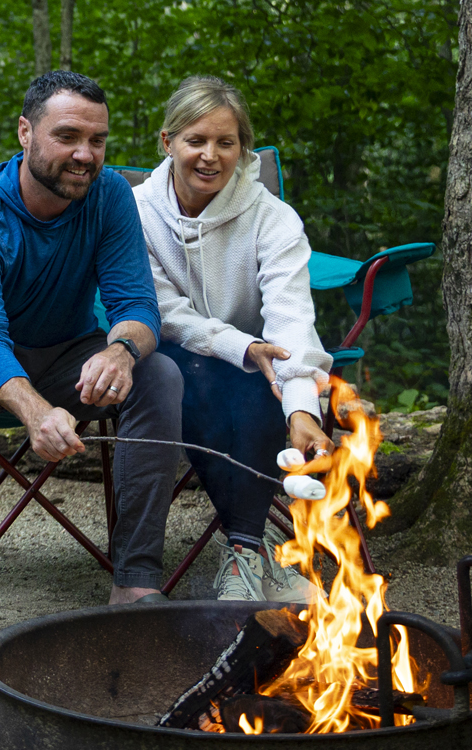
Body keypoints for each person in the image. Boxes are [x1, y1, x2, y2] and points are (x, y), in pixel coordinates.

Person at [0, 71, 183, 656]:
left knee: (159, 373)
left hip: (65, 347)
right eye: (67, 136)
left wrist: (121, 350)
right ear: (26, 132)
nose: (85, 154)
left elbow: (136, 303)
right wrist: (33, 412)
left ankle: (135, 581)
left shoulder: (109, 196)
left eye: (98, 140)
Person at [133, 75, 332, 603]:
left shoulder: (273, 217)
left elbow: (290, 321)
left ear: (245, 149)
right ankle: (259, 547)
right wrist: (236, 346)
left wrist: (302, 411)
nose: (210, 156)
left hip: (257, 367)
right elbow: (160, 310)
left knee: (262, 379)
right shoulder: (134, 212)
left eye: (226, 142)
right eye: (196, 140)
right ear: (167, 141)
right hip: (179, 355)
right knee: (185, 370)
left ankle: (246, 551)